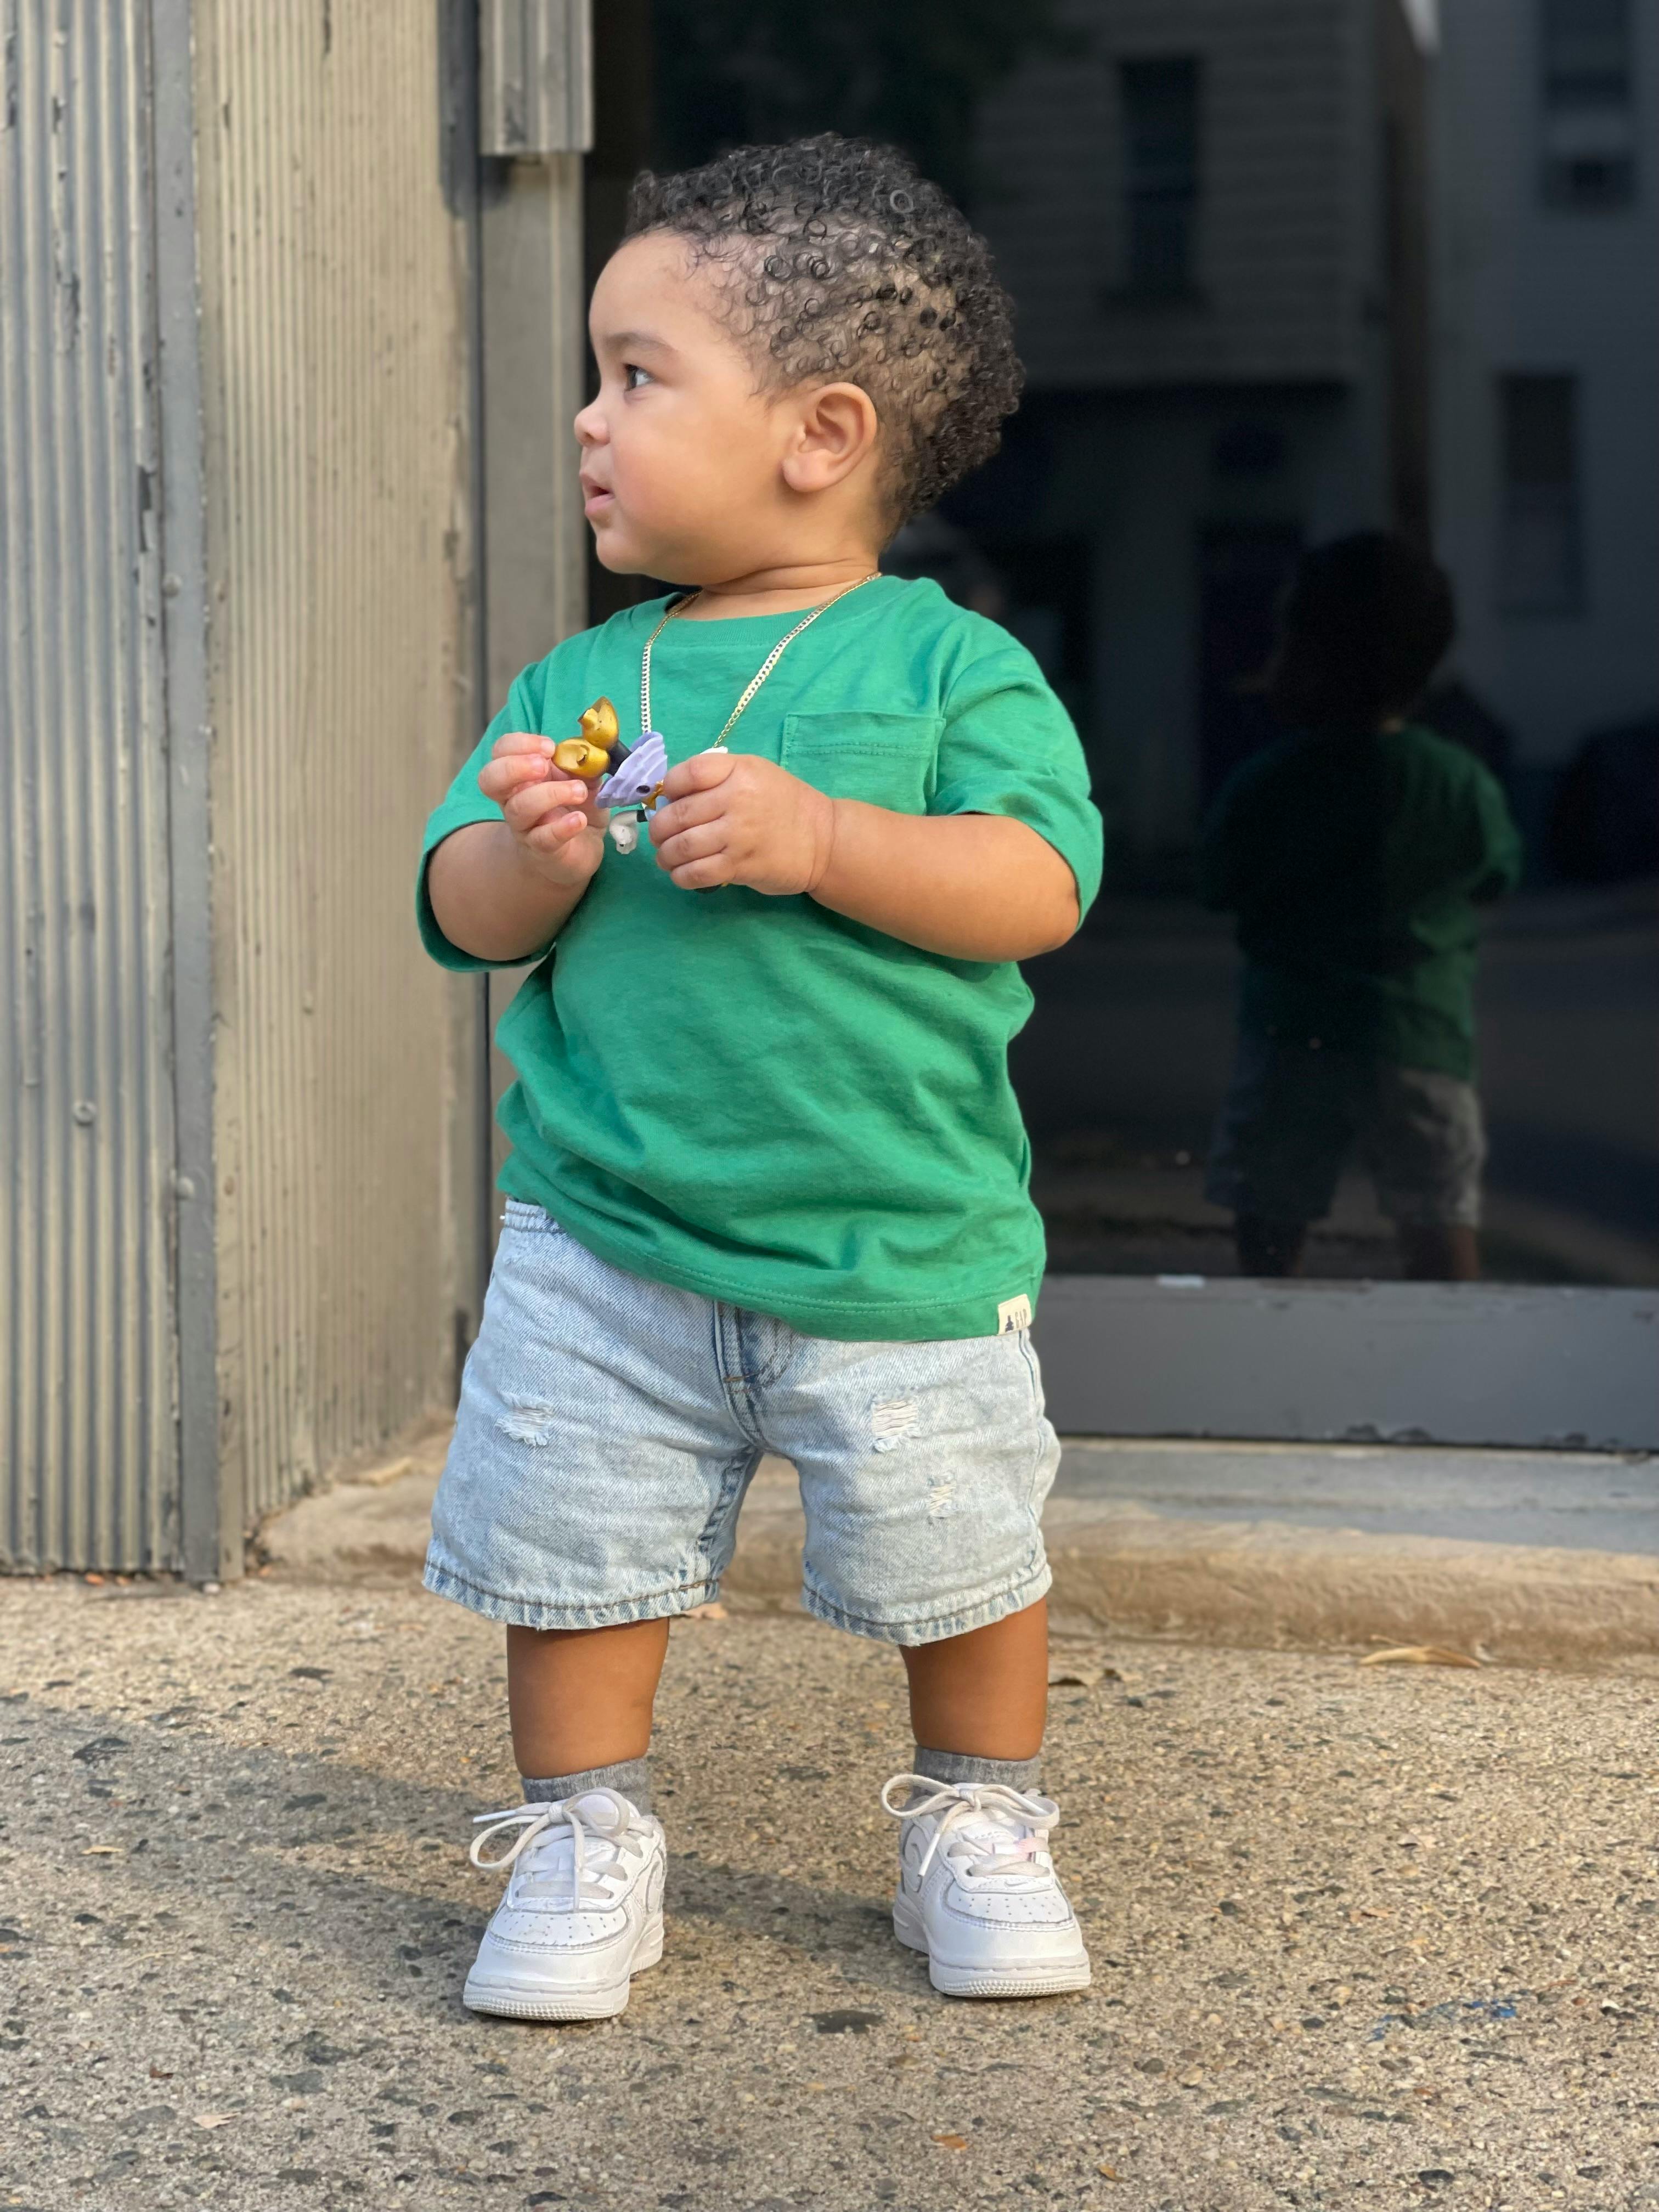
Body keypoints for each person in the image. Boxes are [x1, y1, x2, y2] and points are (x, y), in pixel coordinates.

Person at [416, 135, 1103, 2019]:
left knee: (962, 1550)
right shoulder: (586, 671)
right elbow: (458, 909)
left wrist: (822, 839)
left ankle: (977, 1815)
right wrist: (530, 860)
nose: (588, 418)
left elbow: (1038, 885)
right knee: (570, 1559)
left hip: (894, 1234)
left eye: (636, 376)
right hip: (605, 1226)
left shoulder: (952, 667)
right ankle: (577, 1832)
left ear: (819, 431)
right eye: (595, 373)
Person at [1200, 533, 1523, 1281]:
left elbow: (1218, 883)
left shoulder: (1268, 786)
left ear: (1307, 654)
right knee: (1440, 1220)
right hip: (1423, 1037)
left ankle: (1267, 1366)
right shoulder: (1457, 783)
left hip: (1291, 1036)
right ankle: (1460, 1375)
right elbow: (1496, 875)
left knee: (1270, 1227)